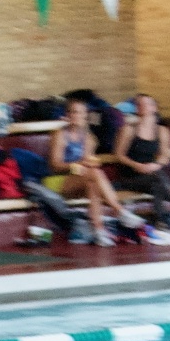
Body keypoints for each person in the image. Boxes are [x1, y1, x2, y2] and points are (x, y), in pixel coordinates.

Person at [46, 99, 145, 247]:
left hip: (81, 178)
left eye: (81, 112)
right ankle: (119, 211)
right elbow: (55, 165)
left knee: (93, 183)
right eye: (74, 112)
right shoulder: (60, 135)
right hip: (57, 180)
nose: (77, 116)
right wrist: (77, 165)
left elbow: (87, 163)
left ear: (86, 115)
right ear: (68, 115)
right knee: (93, 175)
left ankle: (99, 230)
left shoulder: (89, 138)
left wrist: (89, 163)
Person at [107, 95, 170, 244]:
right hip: (130, 175)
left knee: (156, 181)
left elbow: (165, 156)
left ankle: (161, 222)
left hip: (151, 174)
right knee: (157, 178)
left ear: (154, 108)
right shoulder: (129, 129)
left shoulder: (162, 131)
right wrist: (136, 165)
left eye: (147, 104)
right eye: (139, 104)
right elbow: (119, 155)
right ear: (136, 109)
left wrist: (155, 165)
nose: (143, 107)